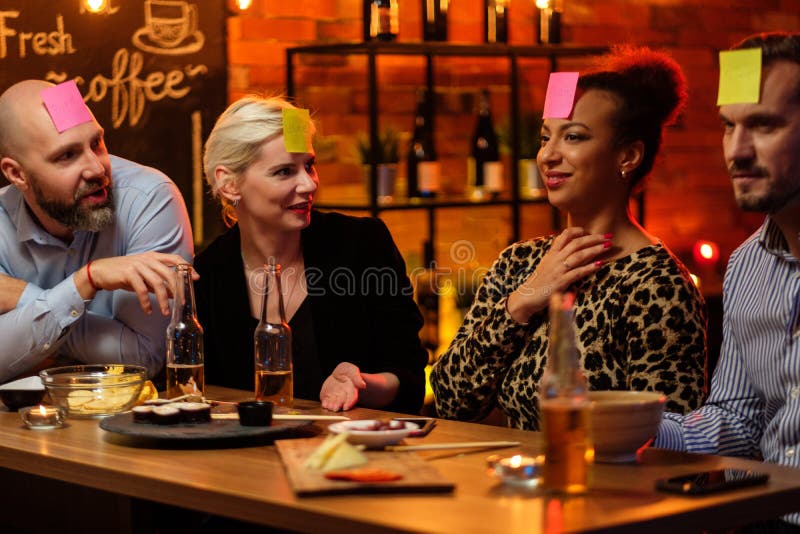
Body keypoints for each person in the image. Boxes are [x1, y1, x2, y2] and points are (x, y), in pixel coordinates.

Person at [431, 47, 708, 430]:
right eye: (546, 138)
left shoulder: (657, 283)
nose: (548, 155)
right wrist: (524, 299)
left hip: (608, 487)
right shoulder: (519, 263)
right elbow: (449, 400)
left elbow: (674, 444)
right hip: (513, 484)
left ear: (628, 155)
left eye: (573, 137)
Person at [194, 95, 428, 414]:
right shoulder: (208, 274)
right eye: (284, 172)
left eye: (309, 165)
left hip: (356, 453)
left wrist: (360, 383)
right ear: (229, 183)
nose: (308, 184)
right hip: (249, 459)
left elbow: (410, 378)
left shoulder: (362, 244)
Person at [654, 32, 800, 531]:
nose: (736, 151)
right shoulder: (746, 266)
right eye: (727, 125)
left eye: (763, 125)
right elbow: (739, 424)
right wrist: (639, 427)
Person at [0, 80, 194, 383]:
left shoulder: (150, 198)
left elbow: (145, 359)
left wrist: (25, 300)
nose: (96, 168)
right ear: (17, 173)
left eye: (96, 143)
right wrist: (82, 288)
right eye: (66, 156)